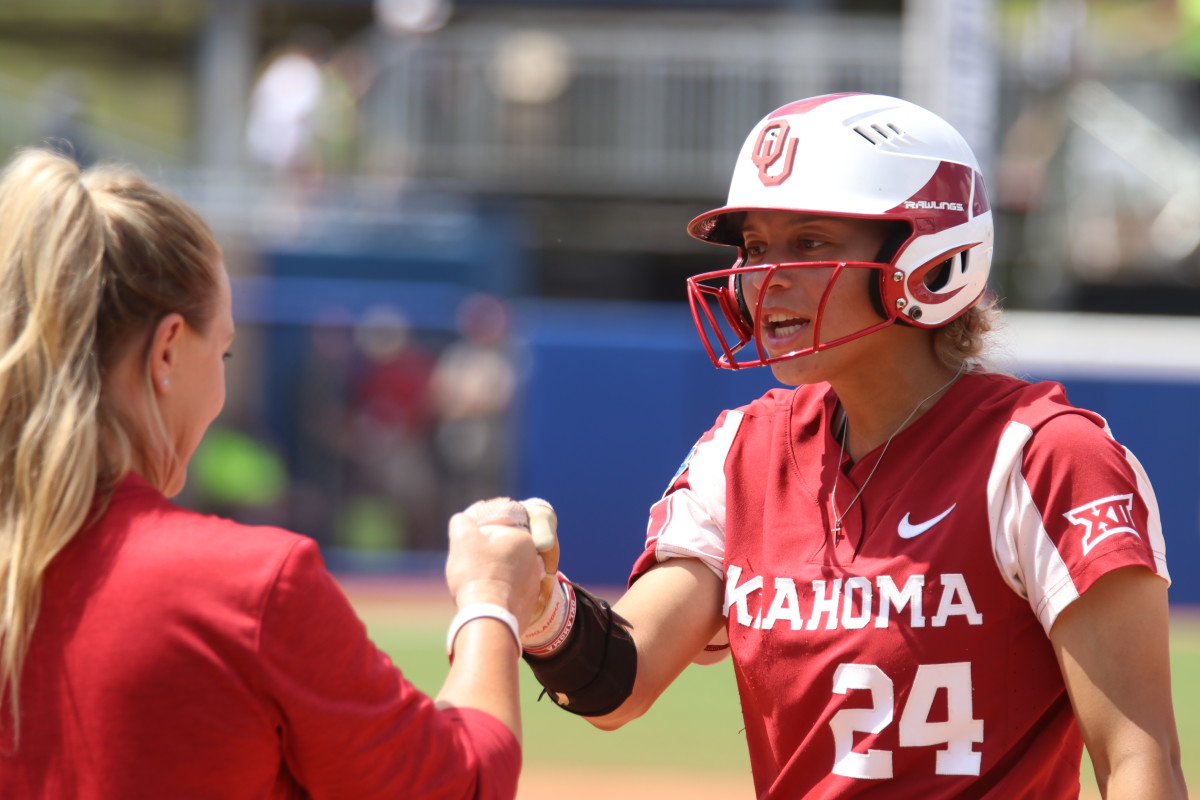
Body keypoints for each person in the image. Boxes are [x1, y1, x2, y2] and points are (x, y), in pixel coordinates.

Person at [465, 94, 1188, 798]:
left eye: (809, 242)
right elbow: (621, 680)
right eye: (753, 246)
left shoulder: (1044, 459)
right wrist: (539, 606)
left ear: (929, 257)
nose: (762, 278)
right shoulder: (742, 453)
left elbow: (1137, 761)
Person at [0, 149, 544, 800]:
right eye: (222, 350)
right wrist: (490, 601)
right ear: (167, 351)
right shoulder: (251, 589)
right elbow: (459, 786)